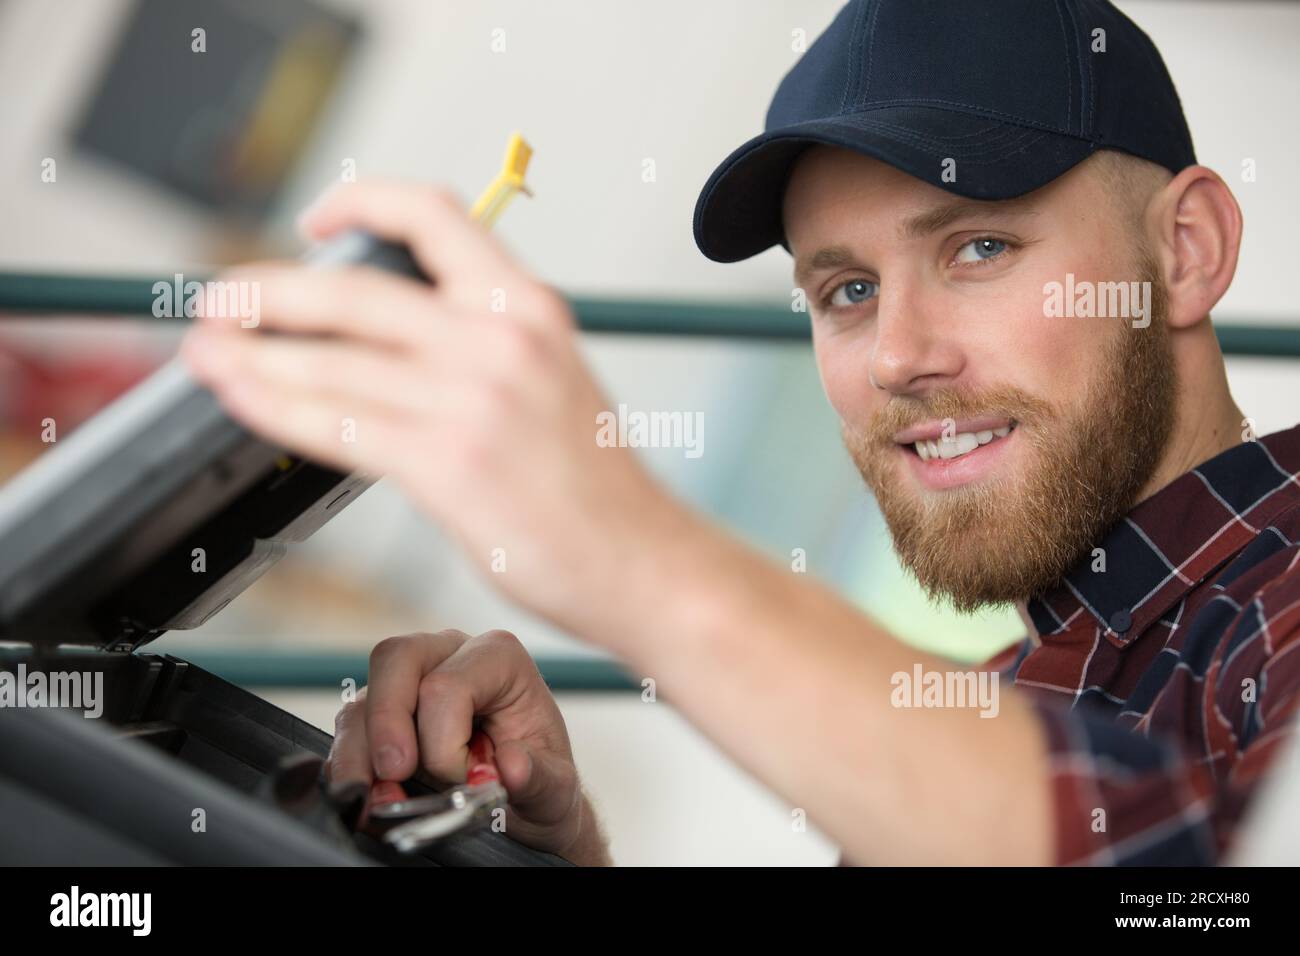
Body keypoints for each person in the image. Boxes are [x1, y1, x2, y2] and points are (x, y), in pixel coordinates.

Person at [181, 0, 1300, 865]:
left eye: (978, 249)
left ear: (1184, 250)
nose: (899, 355)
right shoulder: (1022, 691)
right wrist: (560, 851)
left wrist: (633, 554)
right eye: (847, 289)